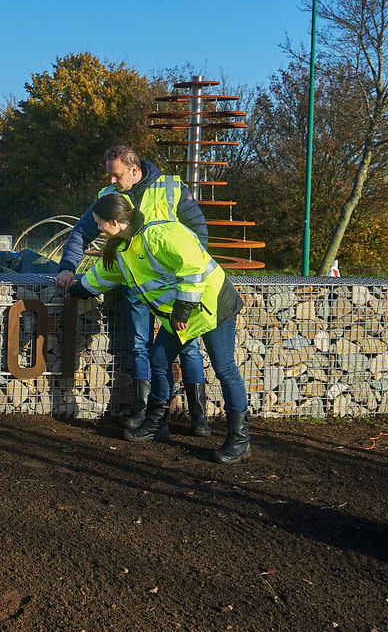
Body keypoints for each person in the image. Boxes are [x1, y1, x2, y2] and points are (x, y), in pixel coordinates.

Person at [65, 192, 250, 463]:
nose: (99, 229)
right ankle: (155, 424)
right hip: (181, 314)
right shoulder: (124, 246)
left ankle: (240, 440)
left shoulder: (160, 233)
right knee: (158, 359)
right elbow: (106, 274)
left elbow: (194, 266)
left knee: (224, 368)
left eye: (101, 224)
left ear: (115, 222)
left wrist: (183, 309)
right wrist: (78, 290)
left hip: (212, 305)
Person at [54, 146, 212, 436]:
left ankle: (198, 417)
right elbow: (81, 232)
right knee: (140, 345)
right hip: (134, 285)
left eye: (117, 175)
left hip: (173, 288)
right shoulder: (107, 196)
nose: (112, 181)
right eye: (110, 175)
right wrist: (68, 267)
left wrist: (186, 281)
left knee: (188, 346)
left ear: (134, 170)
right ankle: (145, 413)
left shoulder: (172, 188)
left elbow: (198, 233)